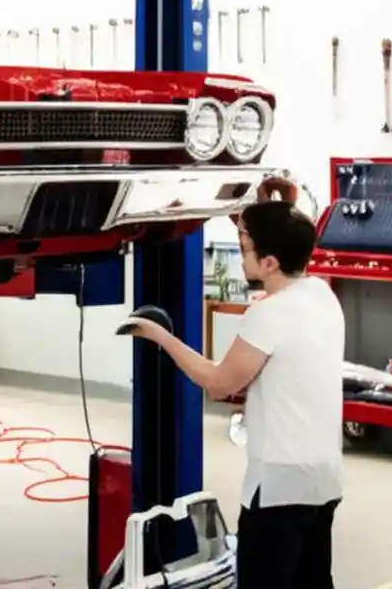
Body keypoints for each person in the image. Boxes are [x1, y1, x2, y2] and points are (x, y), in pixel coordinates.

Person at [123, 196, 345, 588]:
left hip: (279, 487)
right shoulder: (322, 296)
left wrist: (161, 337)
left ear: (270, 263)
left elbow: (218, 381)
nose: (242, 259)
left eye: (246, 251)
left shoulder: (267, 314)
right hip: (324, 478)